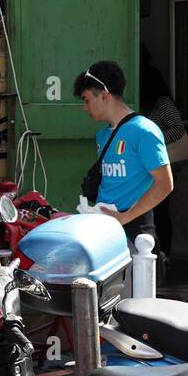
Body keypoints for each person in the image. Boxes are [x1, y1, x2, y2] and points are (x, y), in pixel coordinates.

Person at [74, 61, 174, 271]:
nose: (84, 107)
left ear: (104, 95)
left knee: (135, 301)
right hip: (105, 231)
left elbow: (165, 184)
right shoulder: (102, 135)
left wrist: (124, 217)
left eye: (86, 99)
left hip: (134, 232)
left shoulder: (144, 130)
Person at [138, 46, 187, 257]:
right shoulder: (140, 105)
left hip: (163, 164)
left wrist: (154, 140)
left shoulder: (162, 104)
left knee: (160, 210)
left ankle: (163, 252)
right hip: (143, 167)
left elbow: (178, 129)